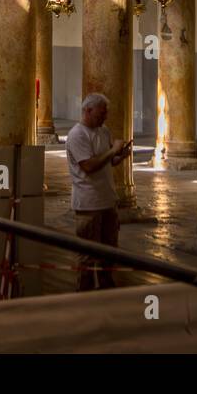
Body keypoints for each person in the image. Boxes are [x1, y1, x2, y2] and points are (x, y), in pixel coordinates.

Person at [66, 93, 132, 291]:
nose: (104, 118)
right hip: (88, 202)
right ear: (87, 111)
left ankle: (105, 287)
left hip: (107, 200)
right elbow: (88, 166)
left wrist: (120, 156)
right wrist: (112, 151)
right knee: (87, 253)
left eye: (105, 114)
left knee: (109, 250)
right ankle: (84, 291)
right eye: (100, 114)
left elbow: (107, 161)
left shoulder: (103, 131)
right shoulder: (77, 134)